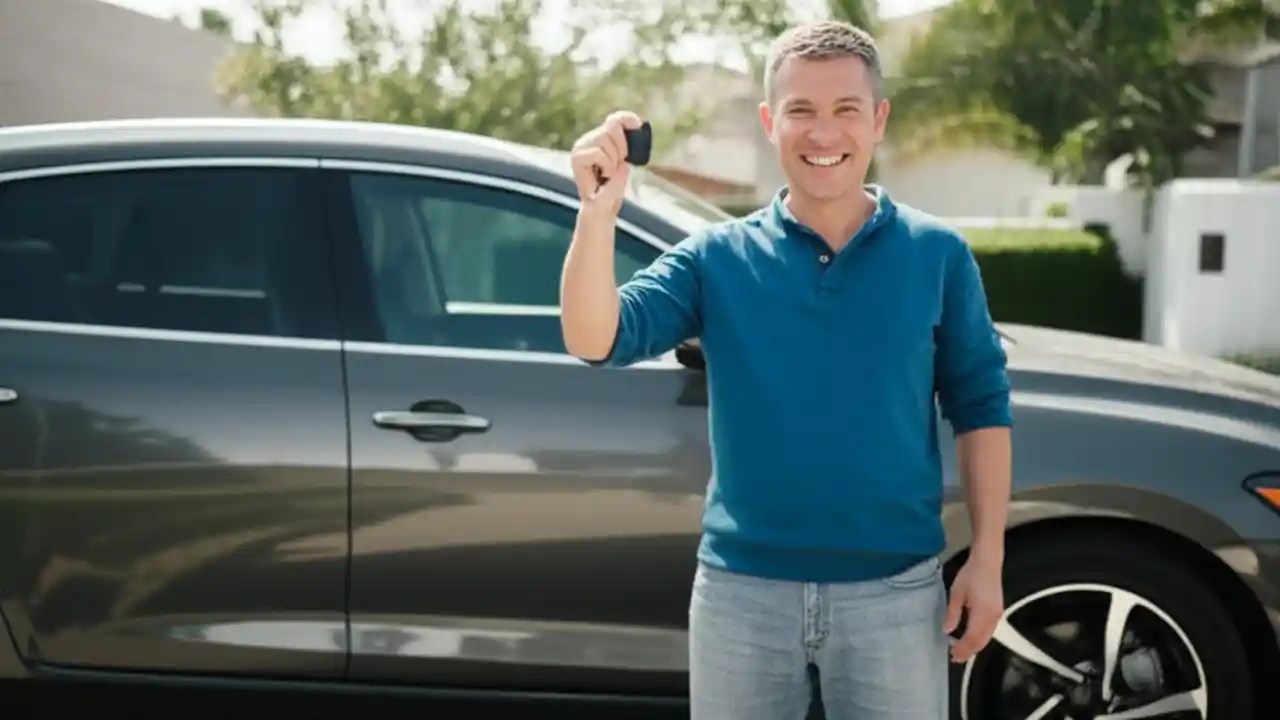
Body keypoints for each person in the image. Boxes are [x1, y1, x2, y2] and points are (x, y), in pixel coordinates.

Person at [559, 19, 1012, 720]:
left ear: (878, 120)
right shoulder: (716, 257)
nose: (822, 134)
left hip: (895, 595)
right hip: (743, 598)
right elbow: (596, 336)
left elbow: (981, 405)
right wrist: (598, 215)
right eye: (801, 110)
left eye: (845, 111)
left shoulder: (939, 255)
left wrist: (987, 560)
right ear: (771, 122)